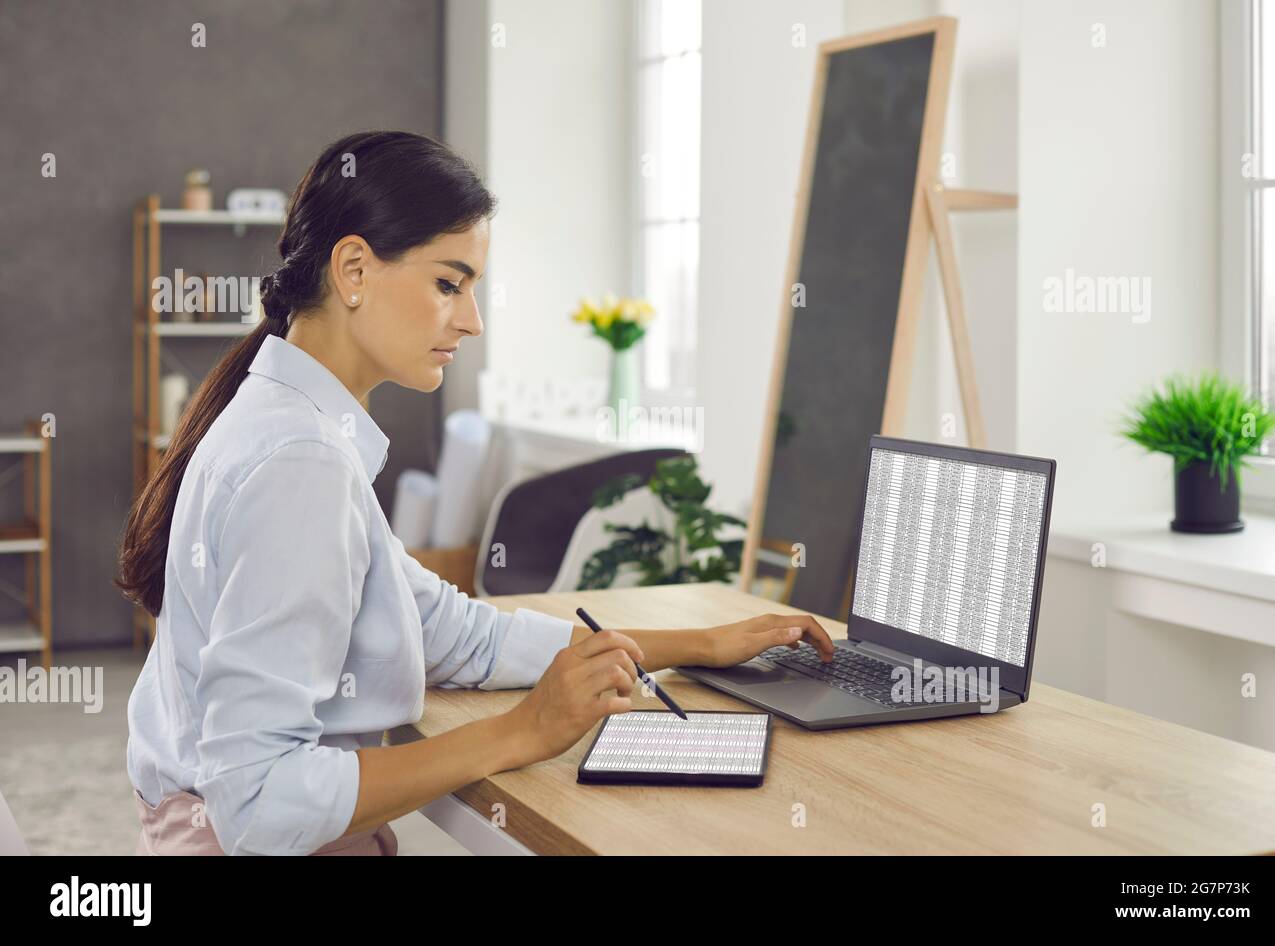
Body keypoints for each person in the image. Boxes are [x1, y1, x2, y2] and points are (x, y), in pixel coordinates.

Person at [116, 130, 832, 856]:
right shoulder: (303, 463)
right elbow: (259, 802)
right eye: (448, 284)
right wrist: (523, 733)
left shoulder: (297, 426)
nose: (472, 320)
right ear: (354, 270)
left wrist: (694, 645)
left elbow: (459, 636)